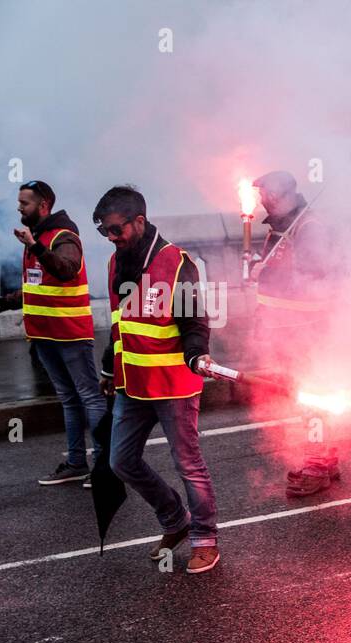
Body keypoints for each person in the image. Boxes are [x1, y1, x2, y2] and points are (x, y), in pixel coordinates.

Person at [93, 185, 220, 574]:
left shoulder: (176, 263)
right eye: (104, 232)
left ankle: (205, 538)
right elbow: (120, 323)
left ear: (139, 221)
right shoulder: (117, 263)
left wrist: (197, 351)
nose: (112, 238)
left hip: (173, 384)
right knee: (121, 461)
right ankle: (174, 519)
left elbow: (195, 321)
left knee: (188, 464)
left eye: (116, 229)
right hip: (132, 384)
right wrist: (106, 368)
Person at [0, 180, 106, 485]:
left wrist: (35, 246)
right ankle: (77, 463)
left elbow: (67, 268)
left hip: (70, 333)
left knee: (90, 397)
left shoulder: (62, 236)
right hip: (44, 336)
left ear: (42, 206)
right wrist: (2, 302)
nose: (18, 208)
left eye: (24, 203)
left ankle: (105, 466)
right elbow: (36, 287)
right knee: (69, 399)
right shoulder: (36, 239)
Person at [250, 170, 339, 497]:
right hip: (286, 329)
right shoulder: (281, 227)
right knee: (308, 398)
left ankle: (317, 465)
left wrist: (271, 270)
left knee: (312, 397)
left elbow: (316, 273)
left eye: (264, 194)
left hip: (308, 331)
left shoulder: (308, 227)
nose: (260, 201)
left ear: (278, 194)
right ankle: (325, 459)